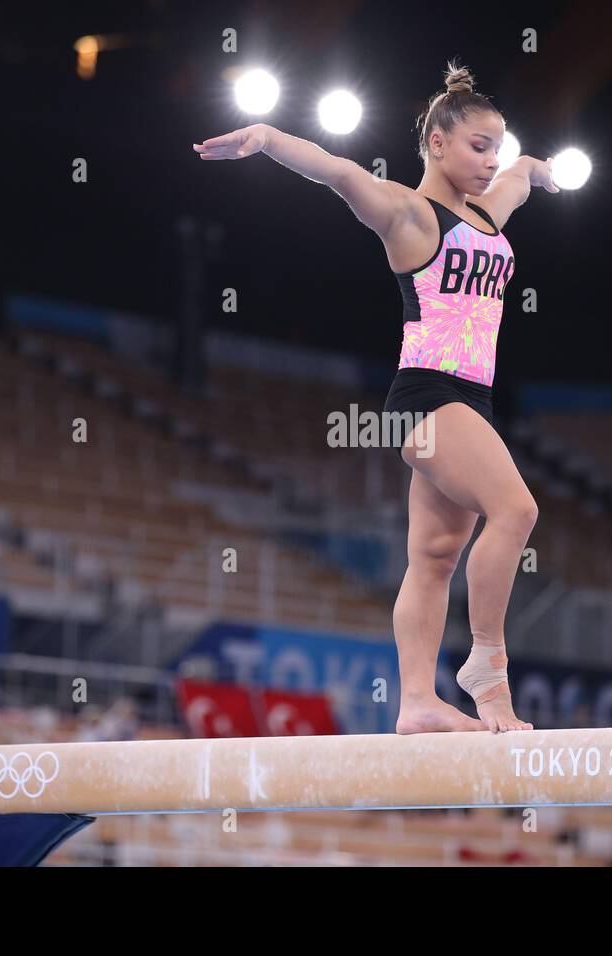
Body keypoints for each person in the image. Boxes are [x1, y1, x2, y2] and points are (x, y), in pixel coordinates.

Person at [193, 60, 558, 734]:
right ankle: (488, 664)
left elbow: (518, 182)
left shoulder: (486, 208)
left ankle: (416, 699)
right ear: (438, 142)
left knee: (433, 557)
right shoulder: (408, 215)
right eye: (478, 146)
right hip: (427, 396)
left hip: (465, 403)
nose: (490, 161)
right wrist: (270, 138)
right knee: (516, 510)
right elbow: (337, 171)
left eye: (496, 148)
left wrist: (534, 167)